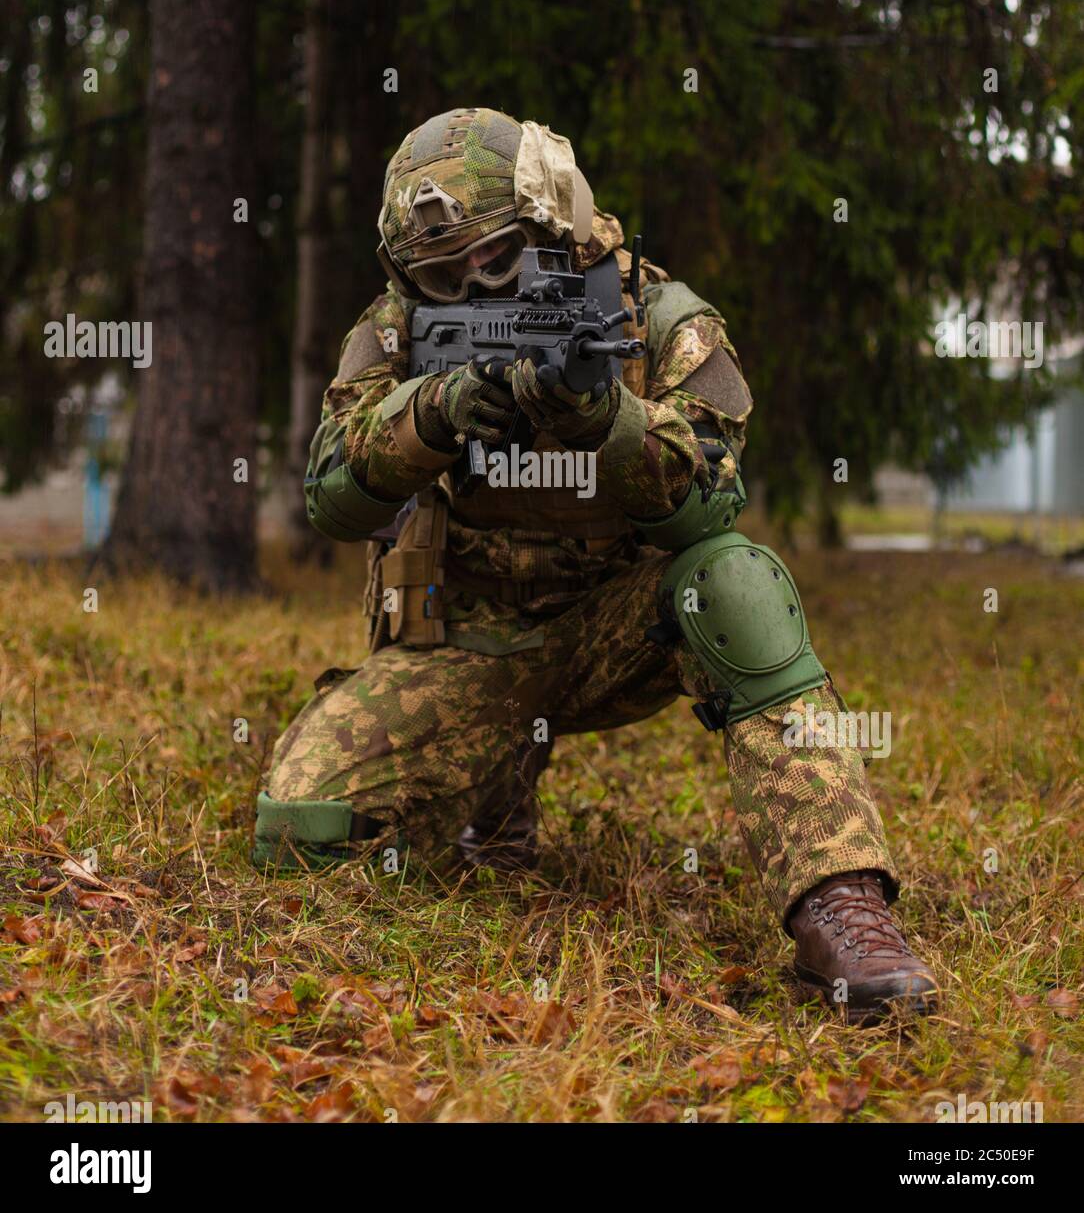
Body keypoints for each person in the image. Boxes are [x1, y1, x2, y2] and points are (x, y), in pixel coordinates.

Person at [255, 107, 937, 1022]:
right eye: (441, 276)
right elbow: (333, 495)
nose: (470, 289)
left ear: (551, 224)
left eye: (494, 261)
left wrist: (602, 421)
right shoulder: (398, 329)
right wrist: (436, 413)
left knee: (735, 578)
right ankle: (495, 794)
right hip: (471, 644)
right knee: (301, 828)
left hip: (625, 629)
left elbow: (712, 501)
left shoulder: (657, 318)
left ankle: (841, 902)